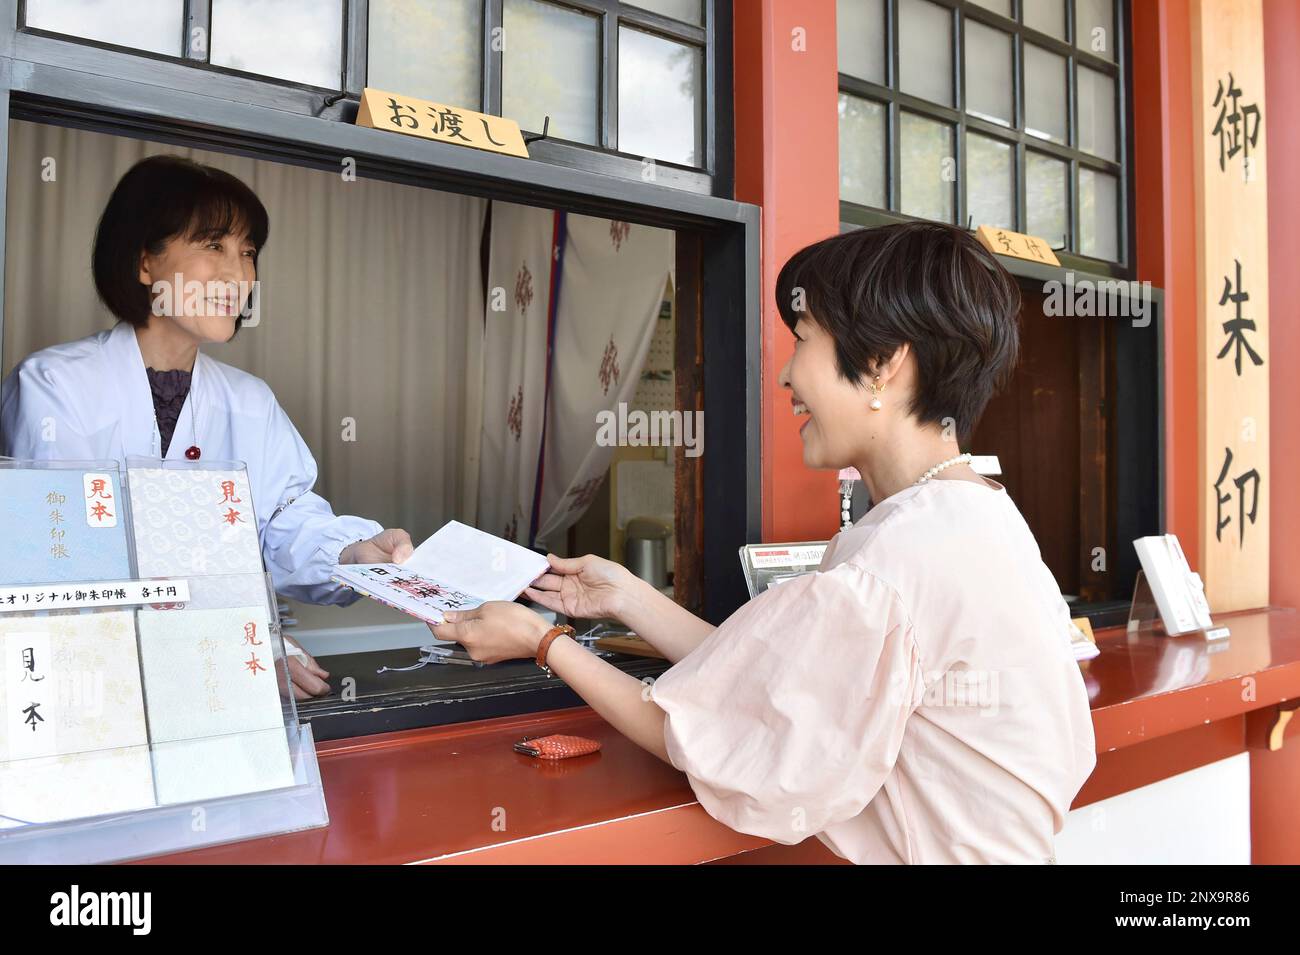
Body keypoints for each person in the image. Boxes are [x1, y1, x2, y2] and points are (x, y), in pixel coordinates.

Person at [430, 221, 1097, 864]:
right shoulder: (976, 513)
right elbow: (773, 685)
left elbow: (703, 734)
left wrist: (544, 642)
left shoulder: (893, 565)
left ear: (882, 365)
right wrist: (627, 596)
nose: (785, 375)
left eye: (803, 339)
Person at [0, 155, 413, 700]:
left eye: (247, 253)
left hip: (225, 698)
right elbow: (64, 574)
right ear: (145, 261)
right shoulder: (54, 386)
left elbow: (282, 520)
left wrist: (353, 553)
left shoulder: (249, 401)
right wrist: (232, 648)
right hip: (85, 697)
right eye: (213, 246)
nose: (237, 275)